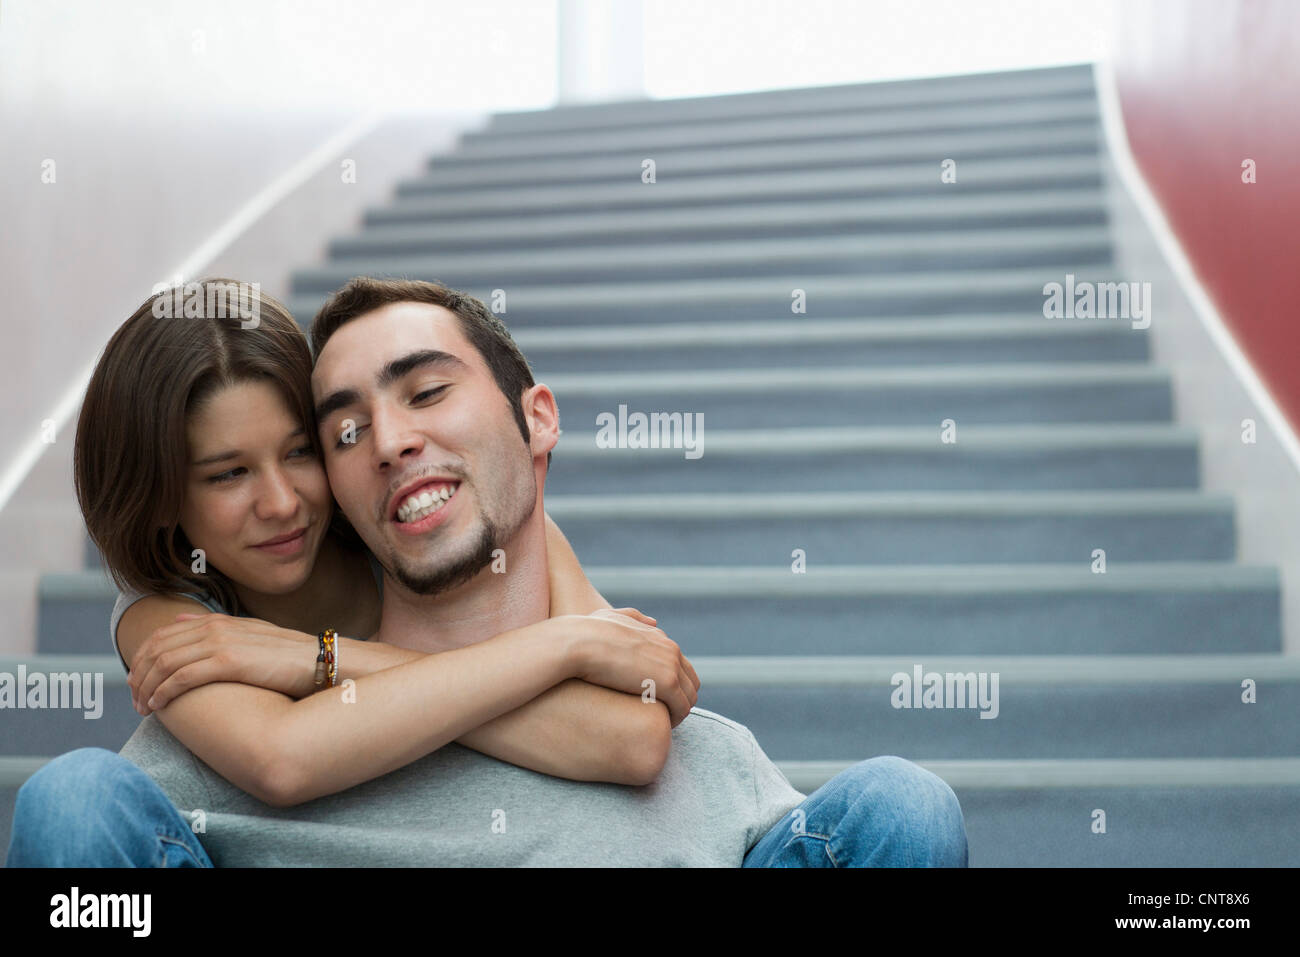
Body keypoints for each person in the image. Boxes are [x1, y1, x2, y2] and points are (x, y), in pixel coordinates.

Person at [11, 277, 970, 867]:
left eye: (304, 449)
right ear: (166, 502)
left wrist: (310, 656)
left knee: (904, 805)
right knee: (73, 798)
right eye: (226, 475)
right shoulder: (179, 629)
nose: (281, 502)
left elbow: (632, 733)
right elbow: (286, 761)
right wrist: (558, 644)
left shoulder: (451, 528)